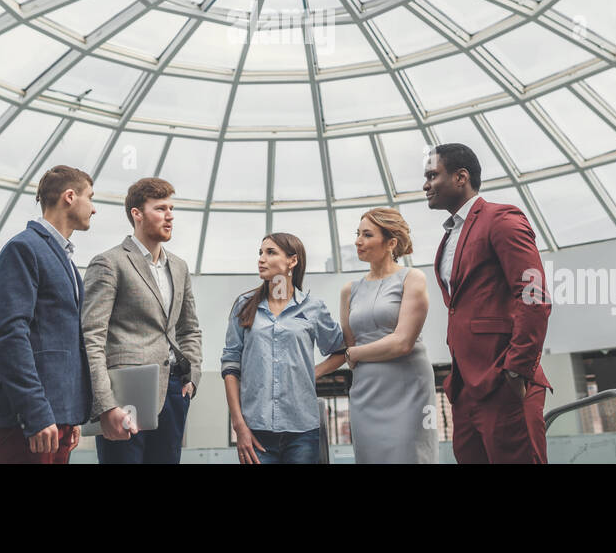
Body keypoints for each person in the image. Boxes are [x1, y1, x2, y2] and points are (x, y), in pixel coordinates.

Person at [425, 142, 553, 464]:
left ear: (460, 177)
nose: (425, 185)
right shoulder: (449, 235)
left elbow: (533, 294)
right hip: (466, 388)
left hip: (503, 380)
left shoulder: (501, 218)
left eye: (432, 175)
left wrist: (516, 370)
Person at [81, 177, 202, 464]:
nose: (170, 215)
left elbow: (190, 328)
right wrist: (105, 404)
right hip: (125, 394)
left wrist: (193, 377)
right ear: (137, 214)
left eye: (171, 208)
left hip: (174, 391)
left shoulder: (180, 267)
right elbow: (91, 337)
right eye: (160, 208)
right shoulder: (109, 262)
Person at [0, 165, 94, 464]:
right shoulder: (24, 248)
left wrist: (70, 416)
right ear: (70, 197)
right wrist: (36, 412)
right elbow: (10, 337)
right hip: (32, 421)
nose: (93, 209)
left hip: (57, 419)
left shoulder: (68, 262)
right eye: (90, 198)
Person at [221, 233, 345, 464]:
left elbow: (340, 350)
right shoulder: (245, 305)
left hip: (303, 432)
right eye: (260, 253)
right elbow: (230, 365)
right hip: (255, 430)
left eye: (270, 252)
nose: (261, 259)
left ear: (292, 261)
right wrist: (239, 425)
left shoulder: (313, 308)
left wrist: (313, 372)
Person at [340, 208, 437, 464]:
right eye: (357, 234)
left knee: (411, 456)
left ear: (391, 242)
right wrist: (353, 353)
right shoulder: (349, 290)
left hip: (410, 389)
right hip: (365, 391)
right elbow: (349, 342)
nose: (358, 241)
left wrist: (357, 353)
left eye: (367, 234)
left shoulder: (413, 278)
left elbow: (403, 342)